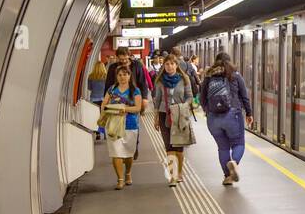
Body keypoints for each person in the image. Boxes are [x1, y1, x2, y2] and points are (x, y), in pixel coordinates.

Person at [200, 51, 253, 186]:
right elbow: (245, 97)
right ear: (230, 62)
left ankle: (227, 177)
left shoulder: (208, 76)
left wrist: (208, 111)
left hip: (213, 118)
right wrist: (249, 113)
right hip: (232, 115)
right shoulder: (235, 76)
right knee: (238, 143)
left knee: (223, 148)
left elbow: (202, 98)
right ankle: (234, 162)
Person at [152, 54, 193, 186]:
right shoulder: (159, 81)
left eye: (172, 64)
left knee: (179, 147)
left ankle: (179, 173)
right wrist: (156, 117)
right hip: (165, 115)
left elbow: (190, 97)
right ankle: (172, 175)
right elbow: (157, 100)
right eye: (167, 64)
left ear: (177, 65)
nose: (169, 67)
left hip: (180, 115)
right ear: (164, 66)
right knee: (169, 147)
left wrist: (183, 107)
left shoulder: (184, 79)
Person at [102, 66, 142, 189]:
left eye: (125, 74)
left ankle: (128, 173)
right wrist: (109, 111)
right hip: (113, 124)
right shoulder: (112, 90)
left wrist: (124, 109)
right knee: (116, 152)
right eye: (120, 75)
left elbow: (137, 108)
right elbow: (104, 105)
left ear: (130, 76)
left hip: (130, 124)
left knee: (128, 153)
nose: (122, 77)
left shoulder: (135, 91)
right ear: (116, 76)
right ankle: (120, 179)